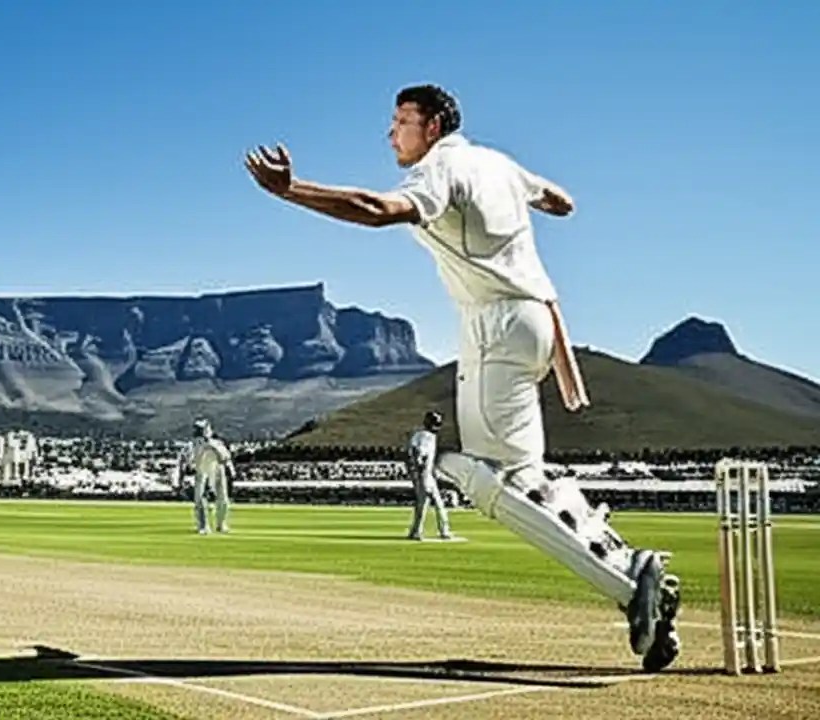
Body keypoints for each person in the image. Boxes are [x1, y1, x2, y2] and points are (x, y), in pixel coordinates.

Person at [242, 83, 680, 672]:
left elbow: (376, 210)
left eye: (401, 120)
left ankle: (629, 582)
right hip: (532, 321)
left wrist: (290, 189)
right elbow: (562, 200)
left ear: (434, 125)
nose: (391, 133)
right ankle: (624, 563)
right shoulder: (496, 163)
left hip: (497, 323)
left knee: (487, 478)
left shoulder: (441, 167)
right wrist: (526, 205)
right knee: (525, 474)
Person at [174, 418, 236, 534]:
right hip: (201, 472)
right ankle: (203, 526)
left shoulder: (217, 443)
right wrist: (180, 479)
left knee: (223, 499)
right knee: (200, 499)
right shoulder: (191, 446)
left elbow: (224, 458)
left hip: (217, 471)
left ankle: (221, 524)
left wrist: (212, 447)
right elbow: (185, 462)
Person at [406, 410, 452, 541]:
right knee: (426, 503)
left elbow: (412, 451)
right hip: (424, 473)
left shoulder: (419, 435)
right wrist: (421, 468)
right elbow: (419, 453)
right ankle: (420, 531)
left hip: (424, 473)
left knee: (431, 502)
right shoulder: (427, 436)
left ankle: (422, 530)